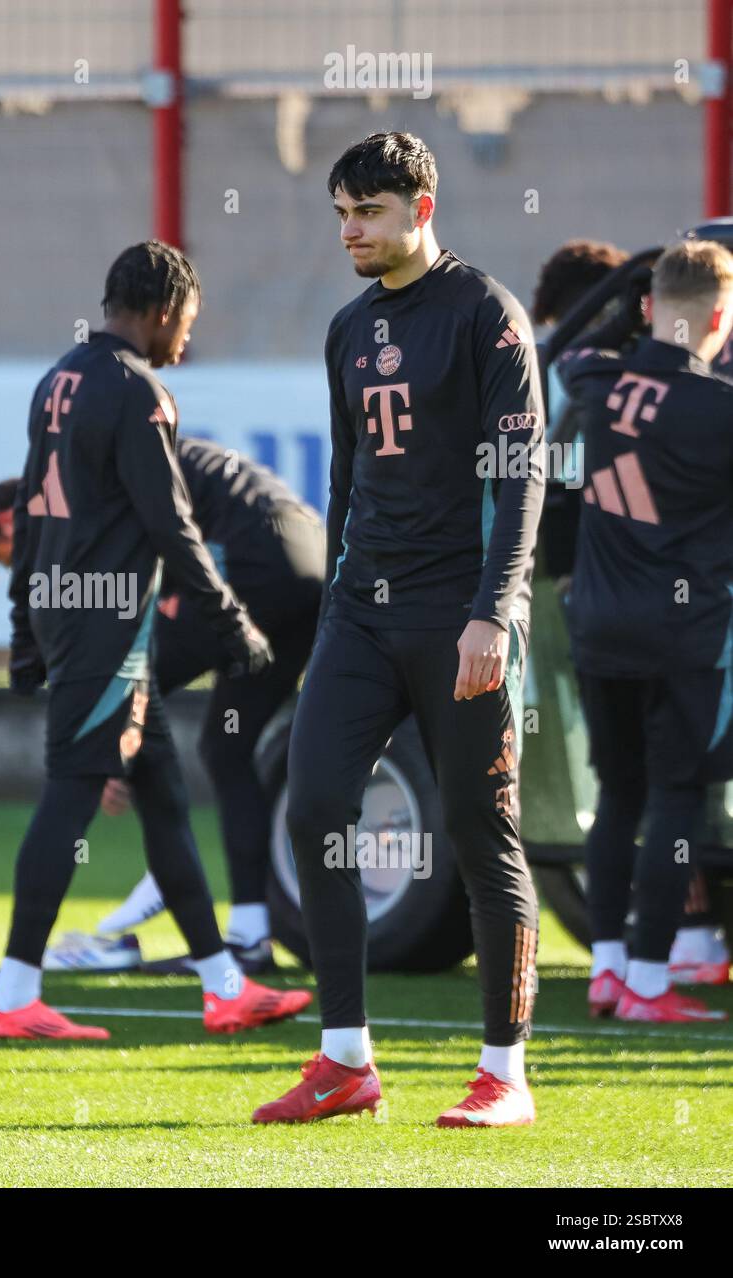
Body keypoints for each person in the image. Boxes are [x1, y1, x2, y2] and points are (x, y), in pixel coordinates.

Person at [254, 133, 545, 1128]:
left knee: (477, 832)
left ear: (421, 206)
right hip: (360, 615)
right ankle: (345, 1062)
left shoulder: (484, 314)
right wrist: (333, 599)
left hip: (459, 615)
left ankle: (503, 1076)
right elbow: (345, 481)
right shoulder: (347, 328)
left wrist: (492, 613)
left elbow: (520, 480)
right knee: (313, 804)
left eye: (367, 213)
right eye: (341, 214)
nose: (350, 232)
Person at [0, 239, 311, 1042]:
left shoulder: (56, 377)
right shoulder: (140, 391)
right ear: (163, 312)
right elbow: (171, 522)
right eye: (185, 324)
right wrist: (231, 621)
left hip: (79, 612)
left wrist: (25, 625)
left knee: (164, 797)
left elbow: (33, 508)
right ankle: (15, 993)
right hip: (106, 624)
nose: (184, 344)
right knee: (72, 791)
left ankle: (225, 986)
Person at [0, 438, 324, 973]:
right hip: (309, 564)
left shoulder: (80, 491)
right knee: (226, 746)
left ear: (8, 522)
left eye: (15, 558)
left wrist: (114, 737)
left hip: (250, 563)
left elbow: (132, 605)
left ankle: (168, 875)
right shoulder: (118, 465)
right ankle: (249, 933)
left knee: (125, 685)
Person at [558, 239, 733, 1024]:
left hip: (599, 622)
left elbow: (567, 348)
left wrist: (636, 293)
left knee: (618, 794)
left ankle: (607, 971)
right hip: (682, 630)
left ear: (650, 308)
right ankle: (652, 986)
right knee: (675, 797)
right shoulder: (720, 408)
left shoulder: (596, 380)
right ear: (722, 318)